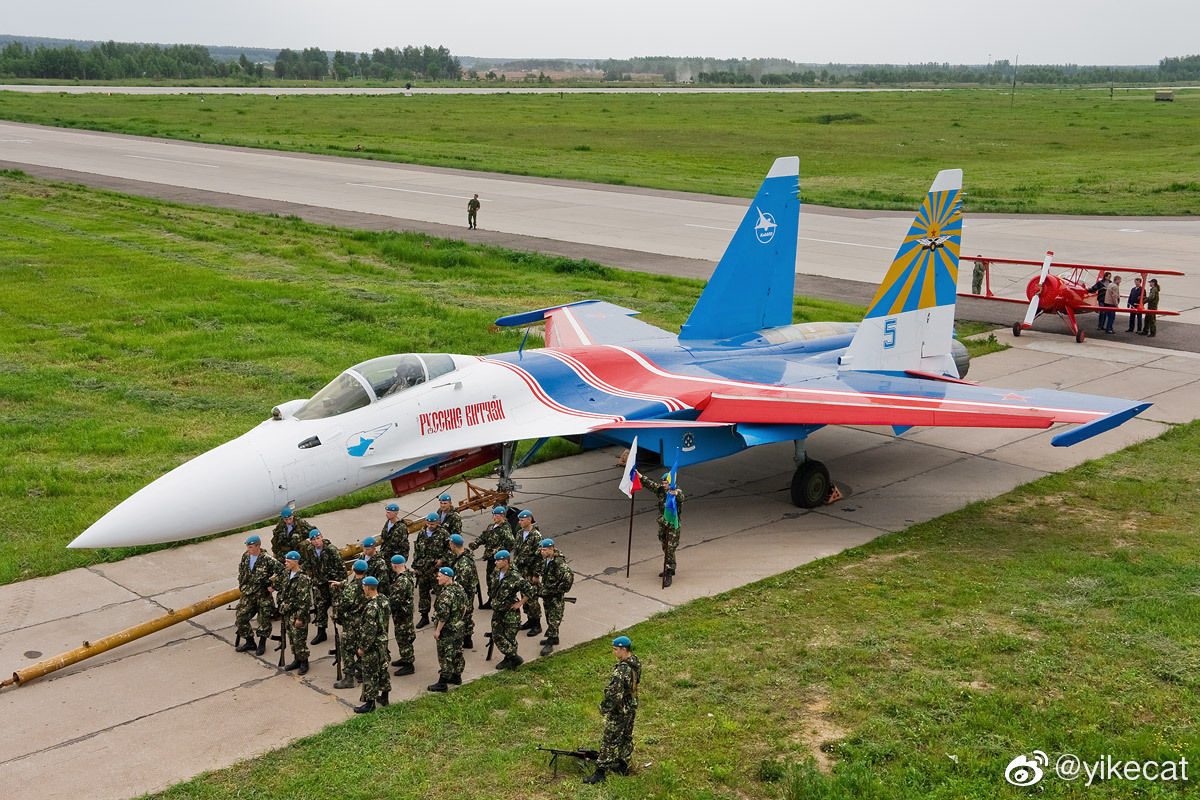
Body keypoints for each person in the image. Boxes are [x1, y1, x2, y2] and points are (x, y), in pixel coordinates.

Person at [584, 635, 642, 784]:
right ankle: (623, 765)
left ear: (624, 649)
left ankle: (600, 772)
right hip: (631, 706)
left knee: (608, 740)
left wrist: (604, 708)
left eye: (615, 650)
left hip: (620, 710)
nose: (613, 652)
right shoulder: (635, 661)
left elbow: (614, 695)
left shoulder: (621, 671)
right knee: (626, 736)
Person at [234, 535, 280, 657]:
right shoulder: (246, 556)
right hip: (248, 594)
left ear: (258, 546)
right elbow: (243, 573)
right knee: (241, 617)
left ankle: (262, 643)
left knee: (264, 620)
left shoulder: (268, 560)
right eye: (247, 547)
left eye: (250, 547)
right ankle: (250, 642)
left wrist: (274, 586)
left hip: (262, 595)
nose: (248, 549)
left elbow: (284, 573)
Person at [639, 471, 684, 586]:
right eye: (663, 483)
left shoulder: (675, 492)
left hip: (672, 525)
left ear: (671, 483)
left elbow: (680, 496)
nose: (663, 485)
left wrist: (675, 493)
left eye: (666, 483)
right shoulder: (661, 491)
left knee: (670, 548)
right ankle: (671, 567)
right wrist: (639, 476)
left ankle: (668, 573)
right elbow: (650, 485)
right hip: (663, 523)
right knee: (665, 546)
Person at [488, 550, 531, 670]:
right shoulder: (496, 572)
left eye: (498, 560)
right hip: (498, 609)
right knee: (497, 634)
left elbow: (530, 591)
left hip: (510, 611)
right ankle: (514, 657)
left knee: (509, 637)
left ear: (506, 561)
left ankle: (509, 659)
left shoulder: (515, 576)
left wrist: (520, 603)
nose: (495, 562)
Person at [428, 567, 468, 692]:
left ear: (447, 577)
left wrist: (438, 631)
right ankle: (456, 676)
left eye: (439, 576)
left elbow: (443, 616)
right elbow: (466, 606)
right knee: (457, 652)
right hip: (458, 627)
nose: (437, 578)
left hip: (447, 630)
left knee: (445, 655)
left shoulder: (445, 596)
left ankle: (442, 682)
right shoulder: (459, 589)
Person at [354, 575, 391, 713]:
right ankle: (385, 697)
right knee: (383, 669)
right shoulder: (384, 600)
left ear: (368, 588)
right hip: (383, 641)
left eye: (364, 587)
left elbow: (369, 630)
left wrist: (363, 647)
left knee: (370, 673)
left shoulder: (371, 607)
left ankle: (370, 703)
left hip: (373, 644)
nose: (363, 589)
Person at [331, 559, 368, 689]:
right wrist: (341, 584)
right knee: (362, 648)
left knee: (347, 651)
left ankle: (348, 679)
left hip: (351, 625)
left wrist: (335, 616)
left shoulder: (350, 589)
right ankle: (363, 672)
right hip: (364, 623)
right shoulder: (368, 585)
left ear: (353, 570)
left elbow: (342, 605)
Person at [532, 538, 573, 655]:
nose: (542, 552)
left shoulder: (558, 563)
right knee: (549, 616)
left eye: (544, 550)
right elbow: (538, 566)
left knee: (554, 619)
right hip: (547, 594)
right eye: (541, 549)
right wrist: (535, 575)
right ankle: (555, 637)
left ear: (551, 549)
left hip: (555, 596)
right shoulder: (546, 559)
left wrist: (558, 590)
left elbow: (569, 577)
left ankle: (550, 643)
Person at [302, 528, 342, 646]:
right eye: (313, 540)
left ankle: (343, 631)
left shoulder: (331, 550)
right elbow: (309, 563)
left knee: (337, 607)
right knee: (320, 607)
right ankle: (321, 632)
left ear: (322, 537)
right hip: (319, 583)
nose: (316, 542)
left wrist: (340, 583)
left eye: (318, 539)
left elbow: (341, 567)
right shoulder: (310, 550)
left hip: (332, 583)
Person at [470, 506, 515, 609]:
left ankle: (499, 600)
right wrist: (474, 545)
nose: (494, 517)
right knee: (490, 579)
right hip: (491, 559)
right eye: (493, 515)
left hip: (500, 560)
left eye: (497, 515)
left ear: (502, 516)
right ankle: (491, 599)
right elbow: (484, 537)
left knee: (499, 580)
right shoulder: (491, 527)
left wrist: (499, 550)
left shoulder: (505, 529)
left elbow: (511, 543)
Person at [276, 551, 311, 675]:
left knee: (299, 640)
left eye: (288, 561)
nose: (285, 563)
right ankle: (297, 659)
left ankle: (304, 661)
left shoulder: (303, 578)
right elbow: (282, 590)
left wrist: (300, 618)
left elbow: (305, 601)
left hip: (297, 614)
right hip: (287, 613)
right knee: (291, 638)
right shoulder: (287, 574)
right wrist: (280, 604)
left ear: (295, 561)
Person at [412, 512, 450, 628]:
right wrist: (416, 567)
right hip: (423, 570)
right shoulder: (422, 533)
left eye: (432, 524)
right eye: (428, 523)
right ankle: (424, 617)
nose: (430, 526)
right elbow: (417, 550)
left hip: (436, 571)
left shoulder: (443, 534)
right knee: (423, 594)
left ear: (437, 523)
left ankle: (440, 617)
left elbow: (450, 550)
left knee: (440, 595)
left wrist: (442, 560)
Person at [512, 509, 543, 638]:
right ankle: (530, 620)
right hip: (521, 572)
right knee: (524, 595)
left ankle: (537, 624)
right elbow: (517, 551)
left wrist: (536, 575)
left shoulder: (536, 536)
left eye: (522, 520)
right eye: (519, 520)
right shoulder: (519, 533)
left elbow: (539, 557)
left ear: (529, 520)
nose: (519, 522)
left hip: (530, 572)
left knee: (532, 598)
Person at [447, 534, 479, 649]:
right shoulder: (461, 556)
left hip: (465, 594)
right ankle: (466, 638)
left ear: (453, 545)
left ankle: (467, 639)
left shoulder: (464, 562)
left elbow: (461, 583)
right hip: (465, 593)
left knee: (464, 615)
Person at [388, 555, 417, 676]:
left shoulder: (401, 581)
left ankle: (409, 664)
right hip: (404, 613)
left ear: (394, 565)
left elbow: (395, 601)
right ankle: (405, 657)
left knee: (403, 637)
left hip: (402, 614)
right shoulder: (406, 576)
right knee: (403, 636)